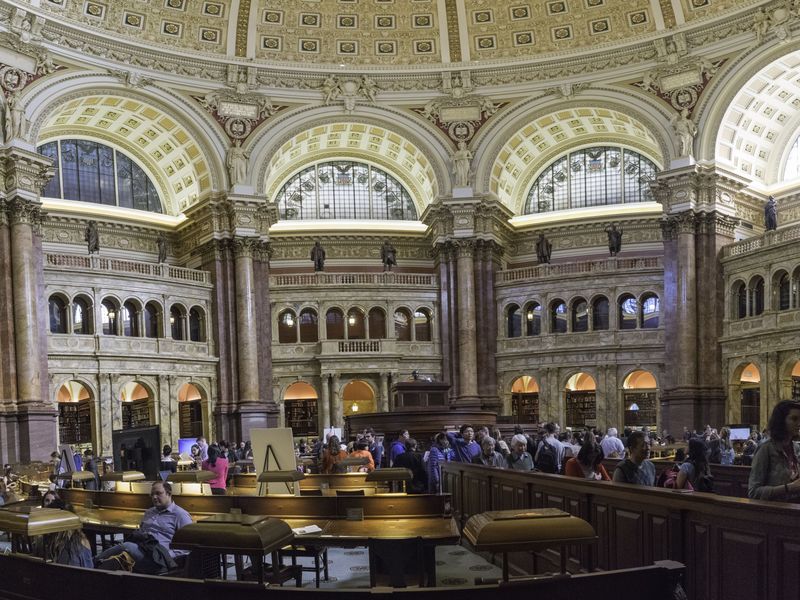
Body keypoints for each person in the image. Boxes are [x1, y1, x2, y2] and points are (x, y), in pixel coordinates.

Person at [94, 481, 192, 572]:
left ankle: (94, 561)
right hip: (143, 549)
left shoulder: (180, 515)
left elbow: (187, 547)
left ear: (169, 494)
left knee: (126, 546)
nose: (154, 497)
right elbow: (141, 532)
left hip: (159, 558)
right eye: (152, 494)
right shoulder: (149, 512)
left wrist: (168, 556)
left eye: (158, 493)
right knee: (117, 560)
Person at [748, 400, 800, 501]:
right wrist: (788, 488)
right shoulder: (766, 449)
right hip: (776, 511)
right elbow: (754, 492)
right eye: (794, 419)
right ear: (781, 420)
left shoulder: (796, 448)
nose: (799, 424)